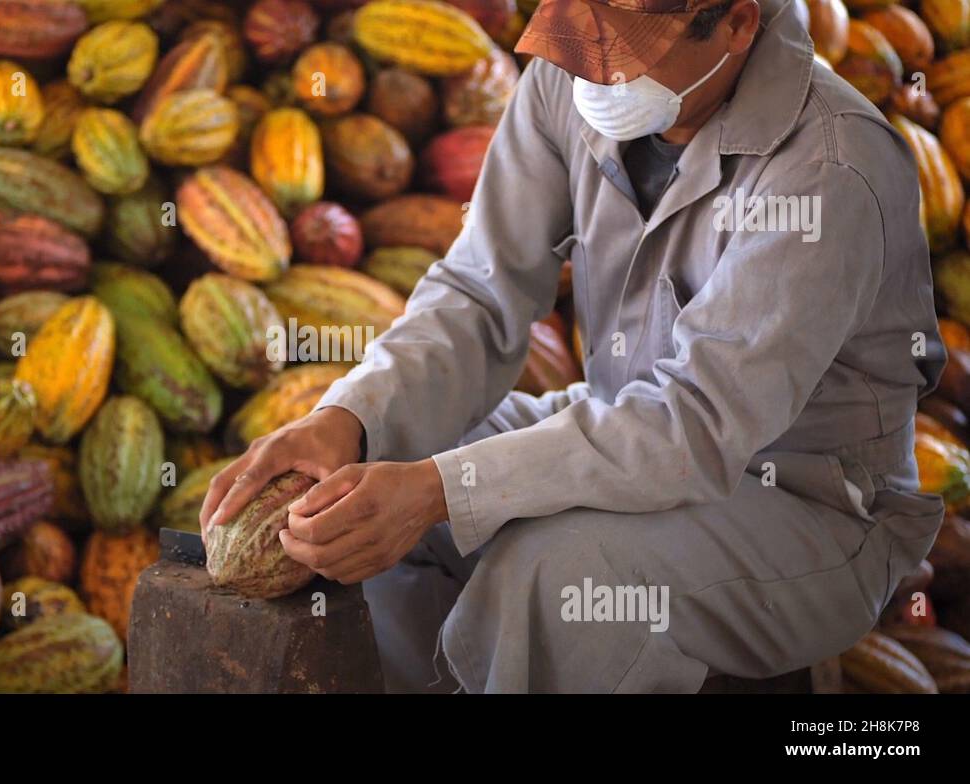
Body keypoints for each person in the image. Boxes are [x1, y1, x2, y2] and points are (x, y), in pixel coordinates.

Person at [201, 0, 947, 693]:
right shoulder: (572, 76)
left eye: (625, 47)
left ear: (737, 26)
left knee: (560, 576)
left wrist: (441, 490)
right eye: (578, 27)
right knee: (372, 475)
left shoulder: (830, 166)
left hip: (811, 503)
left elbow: (696, 425)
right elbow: (478, 293)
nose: (594, 67)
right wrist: (349, 419)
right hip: (618, 420)